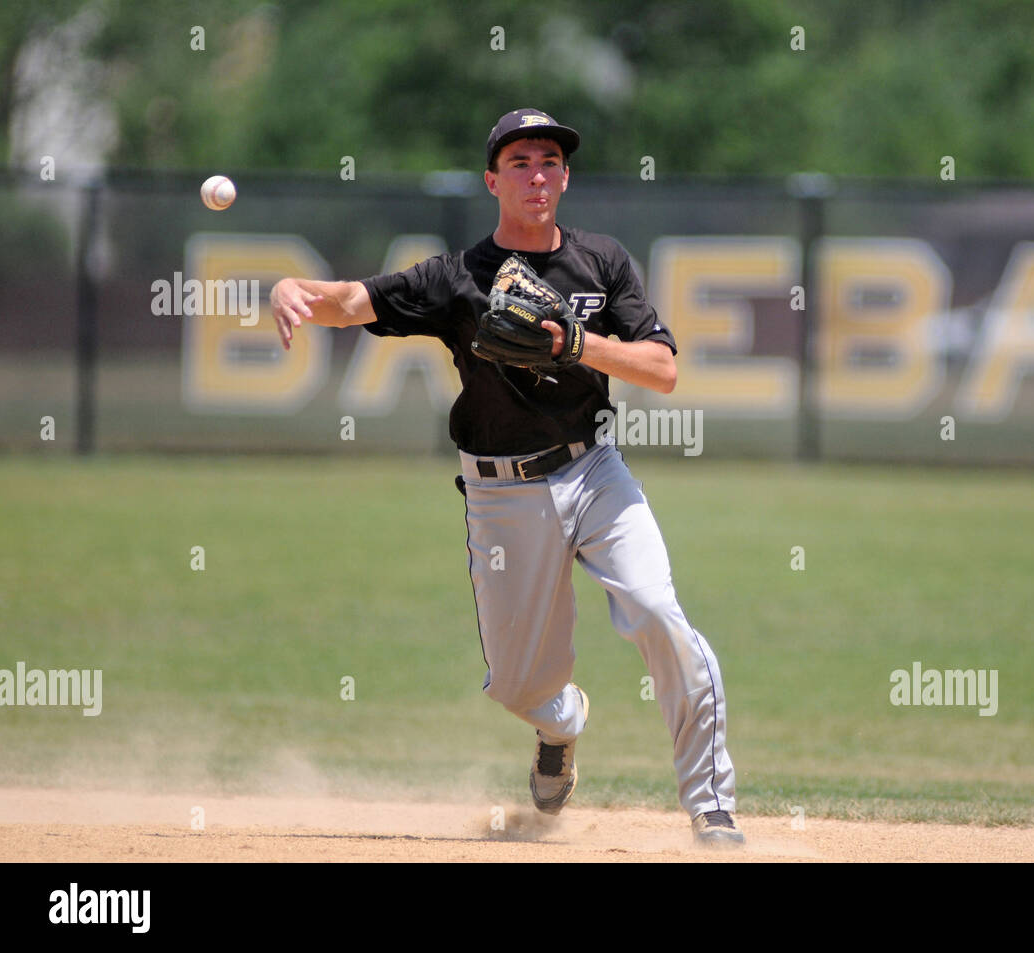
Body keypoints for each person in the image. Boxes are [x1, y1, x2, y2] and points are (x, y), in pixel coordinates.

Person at [268, 108, 743, 847]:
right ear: (493, 179)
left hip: (594, 471)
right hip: (501, 492)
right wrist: (294, 287)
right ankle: (562, 724)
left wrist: (580, 343)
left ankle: (712, 807)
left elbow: (664, 368)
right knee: (522, 686)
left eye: (550, 159)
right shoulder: (455, 278)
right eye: (519, 161)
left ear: (565, 176)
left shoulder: (603, 262)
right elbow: (355, 301)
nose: (537, 173)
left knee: (658, 610)